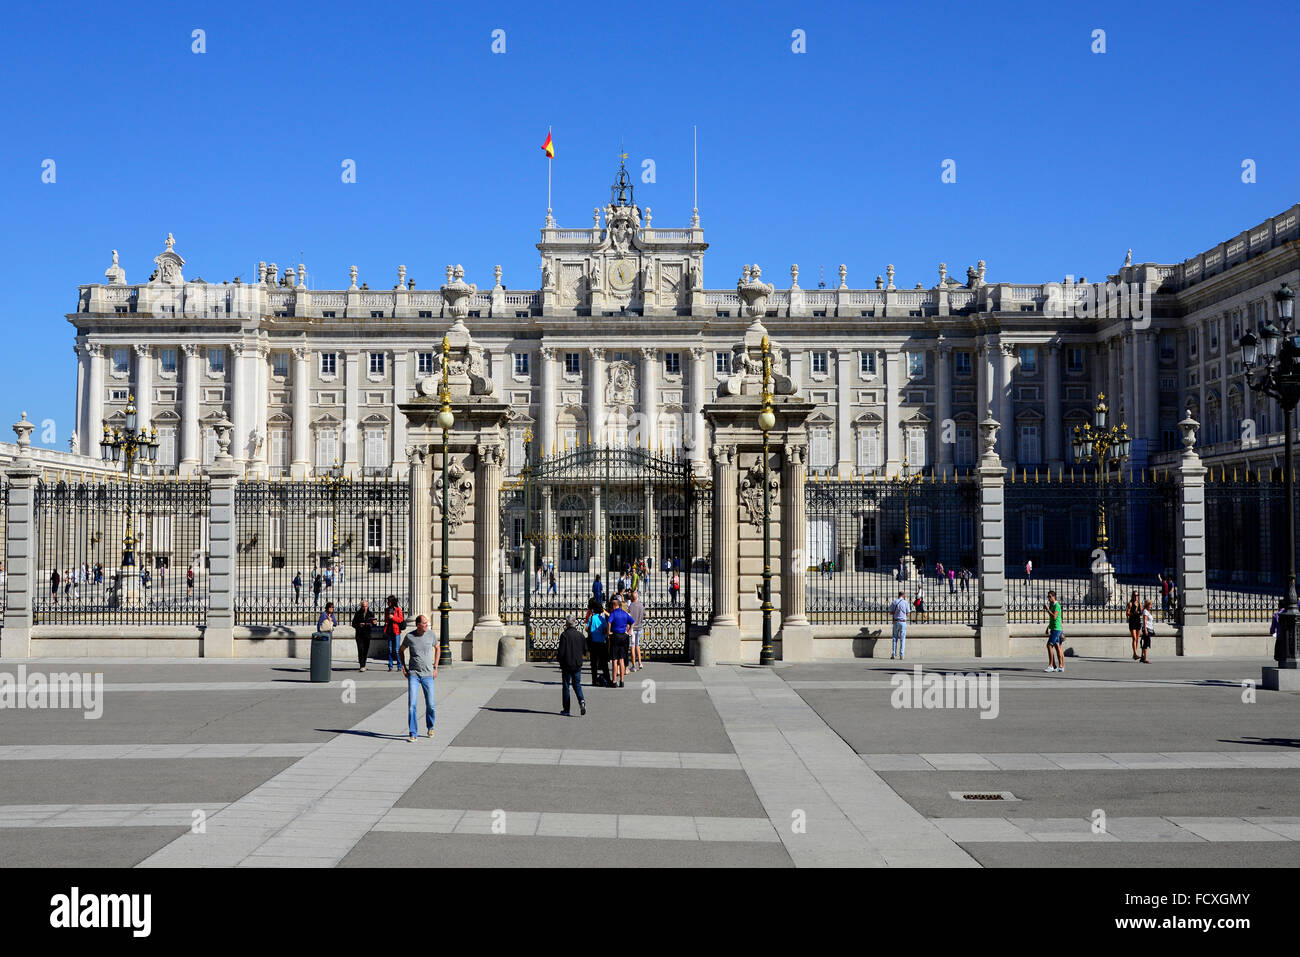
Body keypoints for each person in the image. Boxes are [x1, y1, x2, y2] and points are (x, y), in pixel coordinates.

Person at [400, 615, 440, 741]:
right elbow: (400, 650)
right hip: (414, 674)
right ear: (418, 625)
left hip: (428, 674)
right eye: (424, 623)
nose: (426, 625)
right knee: (412, 704)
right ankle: (413, 733)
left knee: (431, 704)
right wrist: (404, 667)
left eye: (427, 623)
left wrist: (435, 667)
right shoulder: (410, 637)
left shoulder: (431, 635)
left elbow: (437, 648)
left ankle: (430, 726)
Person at [556, 614, 588, 716]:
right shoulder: (580, 635)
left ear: (566, 624)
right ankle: (581, 701)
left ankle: (566, 709)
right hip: (577, 663)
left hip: (567, 663)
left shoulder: (564, 635)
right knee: (577, 684)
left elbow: (561, 652)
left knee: (566, 686)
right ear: (575, 623)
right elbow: (585, 650)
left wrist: (559, 660)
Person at [607, 595, 633, 688]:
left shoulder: (613, 614)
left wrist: (609, 631)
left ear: (614, 606)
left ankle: (614, 681)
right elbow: (632, 621)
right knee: (622, 659)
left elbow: (609, 622)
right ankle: (622, 680)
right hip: (623, 636)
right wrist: (629, 631)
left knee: (614, 659)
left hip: (615, 636)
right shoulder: (624, 613)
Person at [587, 597, 610, 687]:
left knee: (594, 663)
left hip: (593, 642)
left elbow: (588, 629)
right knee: (604, 662)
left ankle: (594, 680)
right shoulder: (602, 619)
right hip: (601, 642)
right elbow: (605, 630)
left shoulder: (592, 618)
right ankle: (607, 678)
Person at [352, 599, 376, 672]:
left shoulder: (371, 614)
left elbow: (374, 625)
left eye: (366, 606)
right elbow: (353, 624)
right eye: (363, 606)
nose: (364, 608)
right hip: (359, 635)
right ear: (361, 606)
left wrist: (374, 623)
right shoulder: (357, 613)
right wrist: (359, 625)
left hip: (367, 635)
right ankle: (361, 665)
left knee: (365, 650)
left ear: (367, 606)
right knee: (360, 650)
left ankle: (364, 664)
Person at [1044, 589, 1065, 673]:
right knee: (1057, 647)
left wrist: (1047, 609)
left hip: (1056, 629)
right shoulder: (1052, 605)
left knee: (1049, 645)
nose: (1048, 598)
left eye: (1050, 597)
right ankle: (1060, 666)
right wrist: (1048, 627)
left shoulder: (1057, 606)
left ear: (1054, 597)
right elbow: (1057, 619)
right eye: (1048, 597)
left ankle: (1051, 665)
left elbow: (1055, 617)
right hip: (1054, 628)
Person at [383, 594, 405, 672]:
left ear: (392, 602)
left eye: (389, 601)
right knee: (390, 649)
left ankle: (399, 665)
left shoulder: (398, 609)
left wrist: (393, 617)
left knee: (396, 650)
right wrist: (388, 618)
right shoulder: (387, 610)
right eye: (387, 601)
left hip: (396, 631)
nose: (387, 603)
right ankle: (390, 666)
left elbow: (401, 620)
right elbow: (385, 620)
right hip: (389, 630)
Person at [627, 588, 645, 673]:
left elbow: (629, 618)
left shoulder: (630, 606)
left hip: (633, 629)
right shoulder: (641, 605)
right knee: (638, 645)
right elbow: (644, 615)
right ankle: (640, 663)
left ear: (631, 598)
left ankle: (634, 666)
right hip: (640, 627)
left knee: (632, 647)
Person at [889, 590, 909, 660]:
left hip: (895, 622)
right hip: (903, 622)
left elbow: (890, 612)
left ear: (898, 595)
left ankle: (893, 654)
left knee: (894, 638)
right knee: (902, 639)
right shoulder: (906, 603)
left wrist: (896, 613)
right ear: (903, 595)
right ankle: (902, 654)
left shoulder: (894, 602)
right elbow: (908, 613)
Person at [1125, 590, 1143, 662]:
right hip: (1132, 621)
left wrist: (1140, 612)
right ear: (1132, 596)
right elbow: (1127, 613)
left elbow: (1141, 612)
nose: (1136, 597)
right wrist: (1133, 613)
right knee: (1134, 638)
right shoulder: (1130, 604)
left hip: (1138, 621)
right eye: (1135, 595)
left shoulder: (1139, 604)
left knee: (1137, 639)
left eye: (1137, 595)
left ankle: (1134, 654)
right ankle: (1135, 653)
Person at [1140, 598, 1154, 664]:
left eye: (1151, 605)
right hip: (1147, 629)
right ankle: (1145, 658)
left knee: (1145, 643)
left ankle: (1142, 657)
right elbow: (1144, 621)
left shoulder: (1148, 611)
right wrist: (1145, 629)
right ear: (1147, 605)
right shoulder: (1145, 611)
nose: (1151, 606)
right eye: (1150, 605)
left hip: (1149, 629)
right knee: (1146, 643)